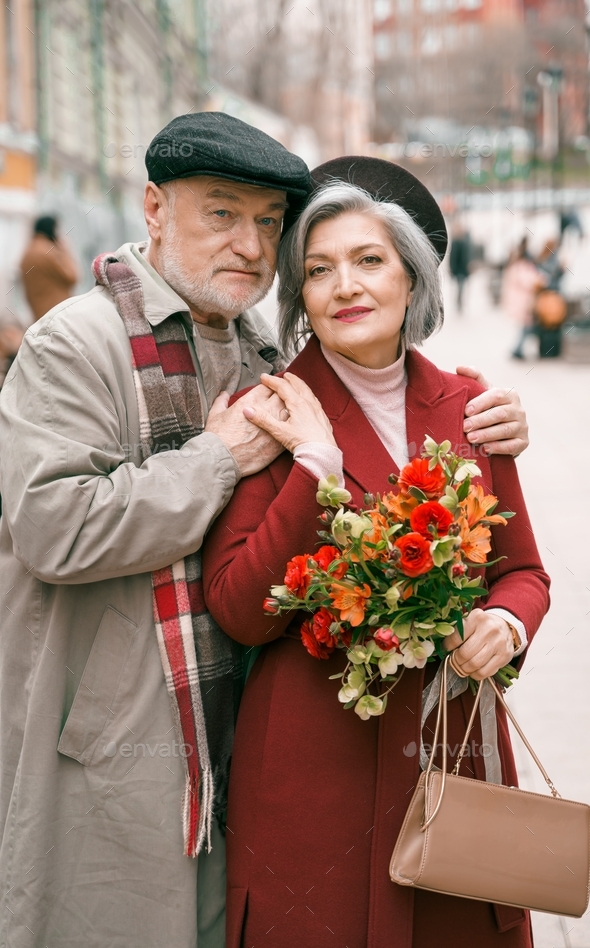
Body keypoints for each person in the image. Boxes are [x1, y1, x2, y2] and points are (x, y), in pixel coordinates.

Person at [0, 117, 529, 948]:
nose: (249, 245)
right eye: (221, 214)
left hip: (235, 731)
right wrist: (221, 458)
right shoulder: (79, 343)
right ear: (154, 209)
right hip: (117, 735)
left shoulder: (257, 354)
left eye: (268, 223)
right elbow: (53, 529)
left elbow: (505, 552)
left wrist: (487, 429)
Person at [202, 158, 551, 948]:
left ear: (411, 278)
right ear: (300, 297)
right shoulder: (268, 412)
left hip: (449, 758)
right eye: (319, 270)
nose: (345, 286)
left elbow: (523, 571)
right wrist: (314, 469)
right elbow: (239, 609)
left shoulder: (471, 408)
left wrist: (506, 623)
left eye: (368, 260)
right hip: (313, 768)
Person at [19, 215, 79, 320]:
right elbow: (73, 277)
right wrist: (64, 250)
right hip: (58, 313)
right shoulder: (49, 251)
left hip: (39, 314)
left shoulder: (29, 251)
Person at [503, 238, 545, 360]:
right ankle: (517, 349)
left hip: (519, 301)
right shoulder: (522, 267)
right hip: (523, 302)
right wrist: (542, 279)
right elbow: (529, 281)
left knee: (526, 326)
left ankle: (518, 349)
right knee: (526, 326)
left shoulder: (514, 266)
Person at [448, 220, 472, 312]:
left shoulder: (465, 242)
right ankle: (459, 302)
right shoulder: (455, 242)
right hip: (457, 269)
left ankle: (459, 302)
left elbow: (468, 256)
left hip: (463, 268)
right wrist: (451, 268)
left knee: (461, 287)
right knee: (459, 286)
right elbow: (452, 257)